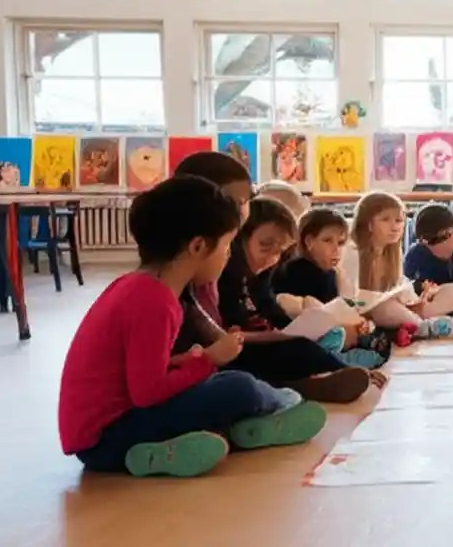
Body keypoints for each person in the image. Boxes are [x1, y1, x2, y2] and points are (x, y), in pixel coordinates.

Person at [58, 176, 326, 478]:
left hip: (101, 439)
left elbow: (141, 373)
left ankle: (169, 451)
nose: (227, 256)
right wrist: (209, 359)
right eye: (226, 246)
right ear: (198, 246)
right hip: (110, 437)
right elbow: (147, 393)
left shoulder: (138, 287)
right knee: (237, 386)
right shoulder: (155, 300)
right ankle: (277, 406)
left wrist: (190, 362)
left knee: (220, 383)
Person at [172, 151, 372, 403]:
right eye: (240, 200)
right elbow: (199, 347)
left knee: (278, 359)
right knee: (239, 383)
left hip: (221, 357)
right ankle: (290, 391)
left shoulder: (223, 270)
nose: (245, 207)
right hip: (207, 368)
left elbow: (231, 330)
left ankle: (304, 384)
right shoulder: (190, 277)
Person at [219, 199, 389, 377]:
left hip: (269, 342)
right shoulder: (227, 278)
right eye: (265, 246)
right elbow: (229, 335)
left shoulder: (262, 276)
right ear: (240, 239)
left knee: (303, 346)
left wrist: (291, 331)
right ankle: (335, 375)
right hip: (243, 351)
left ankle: (340, 373)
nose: (272, 258)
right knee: (301, 350)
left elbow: (273, 312)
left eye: (279, 252)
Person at [341, 192, 453, 338]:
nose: (394, 227)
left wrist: (415, 301)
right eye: (385, 220)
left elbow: (400, 284)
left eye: (399, 221)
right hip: (364, 311)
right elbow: (349, 298)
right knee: (385, 306)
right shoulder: (351, 252)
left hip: (398, 306)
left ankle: (414, 321)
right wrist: (386, 298)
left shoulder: (391, 251)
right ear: (368, 224)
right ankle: (423, 327)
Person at [403, 202, 453, 327]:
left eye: (447, 236)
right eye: (432, 240)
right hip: (427, 301)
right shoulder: (415, 256)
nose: (442, 245)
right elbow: (408, 284)